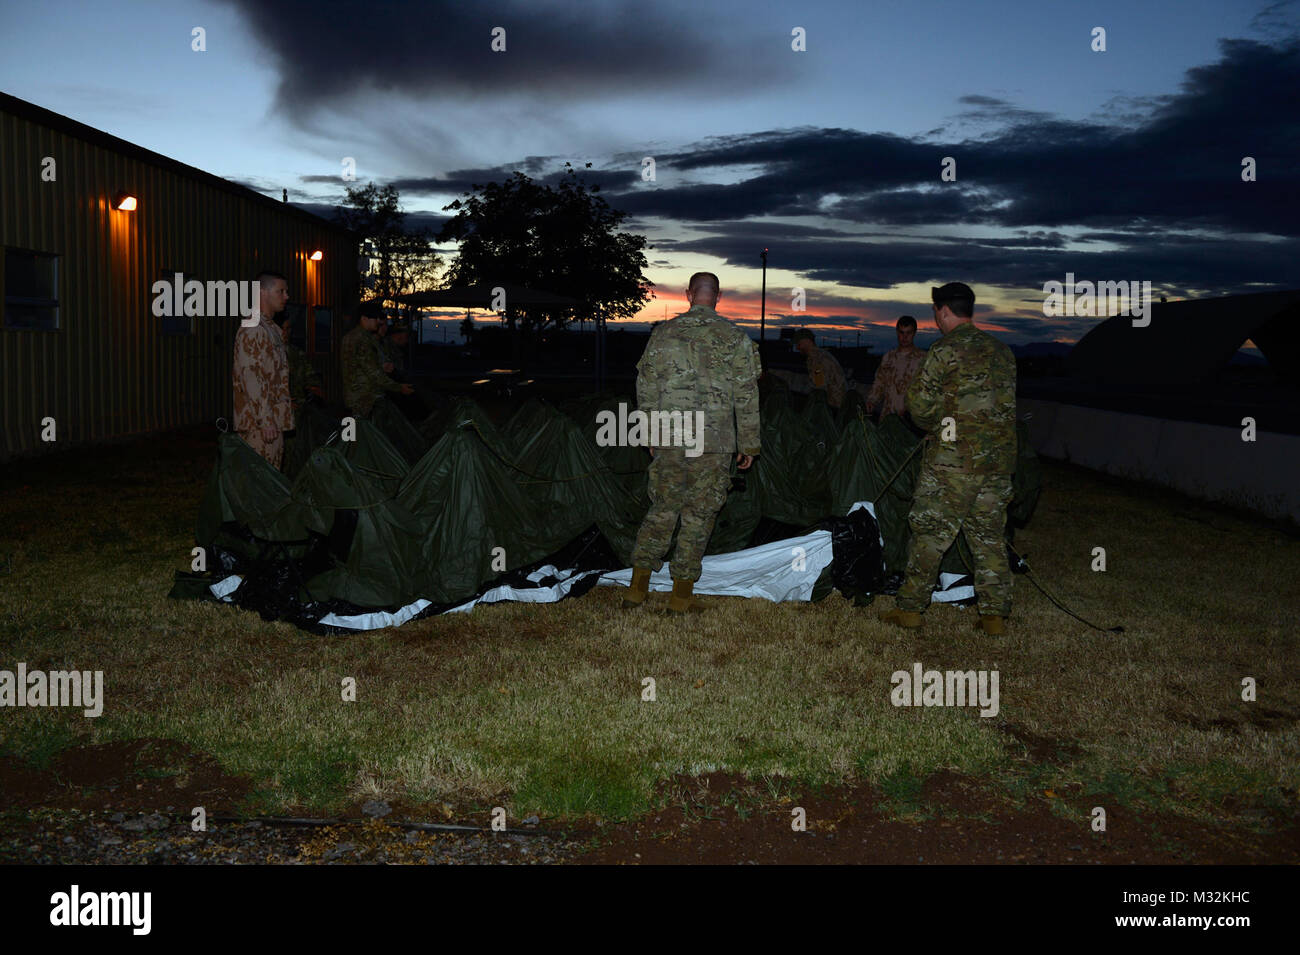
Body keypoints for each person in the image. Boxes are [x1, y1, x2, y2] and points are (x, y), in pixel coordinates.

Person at [883, 283, 1018, 635]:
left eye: (935, 313)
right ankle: (994, 617)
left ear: (942, 311)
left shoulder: (944, 351)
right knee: (988, 537)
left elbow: (919, 405)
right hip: (997, 464)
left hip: (952, 464)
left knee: (929, 533)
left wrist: (936, 426)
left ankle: (911, 609)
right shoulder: (1002, 352)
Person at [624, 272, 761, 613]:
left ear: (688, 295)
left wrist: (650, 433)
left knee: (663, 508)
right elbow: (746, 395)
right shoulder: (735, 338)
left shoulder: (663, 334)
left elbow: (646, 387)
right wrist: (749, 444)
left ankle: (637, 589)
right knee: (699, 515)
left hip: (671, 435)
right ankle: (680, 597)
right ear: (718, 296)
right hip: (714, 442)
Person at [232, 270, 293, 469]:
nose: (286, 296)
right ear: (263, 293)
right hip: (259, 426)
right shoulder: (253, 328)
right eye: (280, 291)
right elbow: (251, 376)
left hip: (273, 421)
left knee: (272, 481)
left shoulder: (272, 329)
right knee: (259, 485)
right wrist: (265, 419)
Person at [341, 304, 413, 417]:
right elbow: (373, 373)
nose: (378, 322)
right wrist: (399, 388)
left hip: (359, 398)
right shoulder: (362, 340)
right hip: (364, 401)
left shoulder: (356, 337)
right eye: (375, 318)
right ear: (364, 319)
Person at [866, 315, 926, 419]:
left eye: (908, 333)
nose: (904, 337)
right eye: (901, 332)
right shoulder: (888, 357)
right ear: (897, 333)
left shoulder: (923, 359)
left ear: (914, 333)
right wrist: (872, 401)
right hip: (888, 417)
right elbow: (879, 383)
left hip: (912, 420)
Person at [275, 311, 324, 411]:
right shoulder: (270, 353)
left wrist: (314, 388)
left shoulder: (298, 353)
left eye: (288, 329)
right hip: (279, 409)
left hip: (300, 407)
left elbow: (310, 374)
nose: (285, 333)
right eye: (282, 329)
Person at [793, 329, 847, 408]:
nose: (797, 348)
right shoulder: (818, 355)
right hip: (835, 404)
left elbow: (820, 387)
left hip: (835, 406)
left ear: (807, 341)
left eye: (799, 344)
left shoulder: (817, 359)